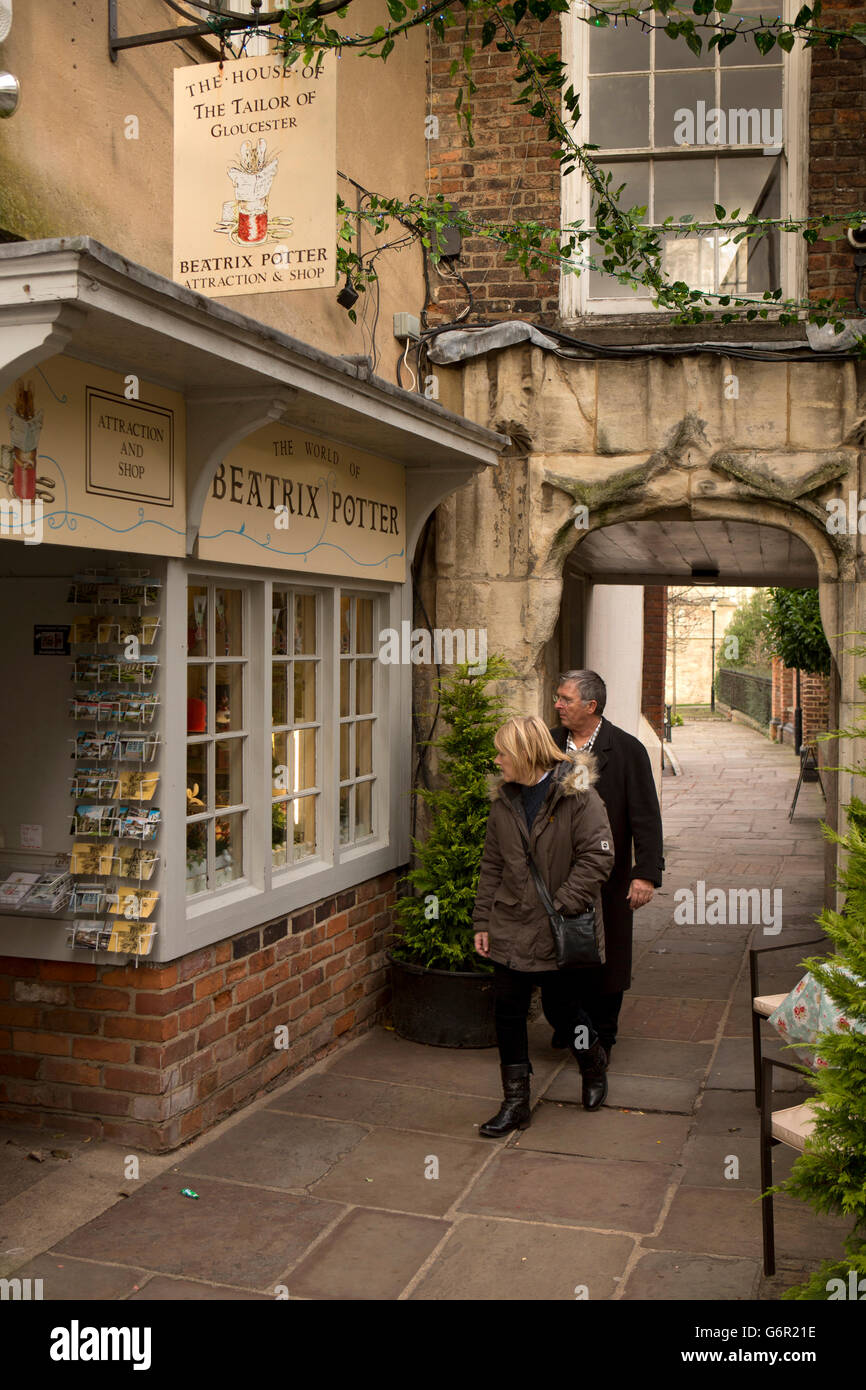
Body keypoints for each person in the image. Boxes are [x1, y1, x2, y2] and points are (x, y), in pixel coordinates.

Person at [472, 715, 615, 1135]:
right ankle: (516, 1103)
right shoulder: (504, 802)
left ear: (523, 753)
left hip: (558, 925)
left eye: (502, 753)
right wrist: (483, 920)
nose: (497, 760)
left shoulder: (578, 795)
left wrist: (562, 903)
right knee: (508, 1011)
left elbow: (599, 857)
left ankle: (592, 1062)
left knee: (562, 1011)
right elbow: (492, 865)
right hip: (510, 924)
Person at [548, 669, 664, 1073]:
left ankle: (603, 1036)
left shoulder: (628, 750)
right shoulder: (549, 744)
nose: (558, 705)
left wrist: (645, 873)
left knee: (607, 957)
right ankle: (571, 1024)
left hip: (609, 875)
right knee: (561, 951)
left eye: (565, 699)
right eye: (558, 698)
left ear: (590, 706)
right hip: (556, 874)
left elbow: (646, 817)